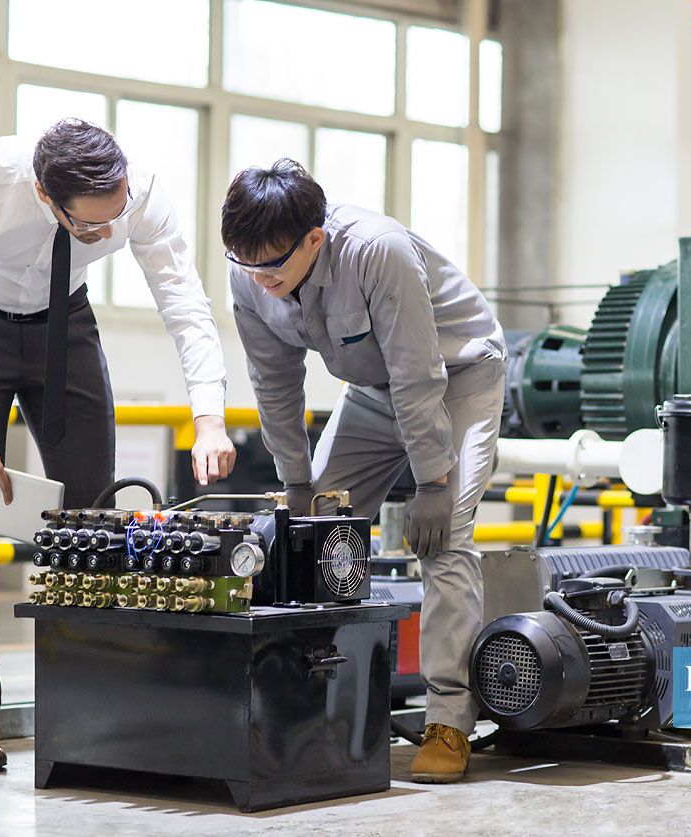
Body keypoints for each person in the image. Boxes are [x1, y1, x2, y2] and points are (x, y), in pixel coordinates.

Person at [0, 119, 236, 771]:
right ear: (45, 198)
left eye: (116, 215)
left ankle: (96, 699)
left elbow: (186, 304)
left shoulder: (138, 195)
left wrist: (210, 415)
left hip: (66, 320)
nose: (106, 232)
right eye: (88, 226)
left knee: (94, 513)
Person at [222, 158, 506, 784]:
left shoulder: (378, 252)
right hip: (372, 395)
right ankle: (304, 708)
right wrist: (297, 483)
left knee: (447, 539)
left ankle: (449, 720)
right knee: (312, 528)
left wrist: (434, 483)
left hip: (456, 377)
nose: (257, 279)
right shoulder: (250, 274)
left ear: (314, 240)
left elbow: (417, 372)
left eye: (272, 265)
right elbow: (274, 384)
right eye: (244, 264)